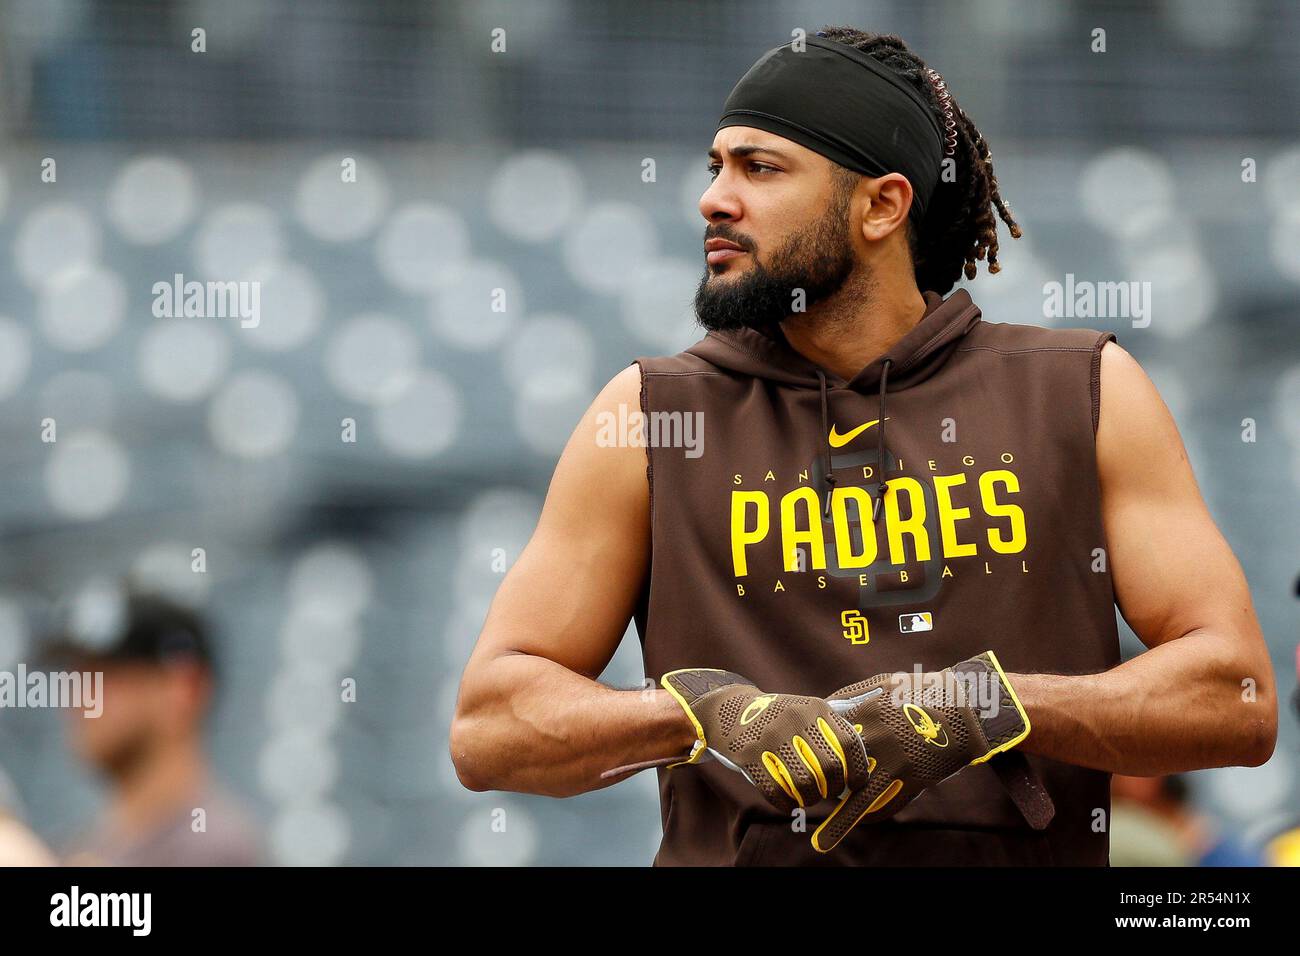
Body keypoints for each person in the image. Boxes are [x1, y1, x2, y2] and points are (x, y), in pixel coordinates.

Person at [449, 27, 1277, 865]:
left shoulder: (1085, 392)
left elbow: (1236, 701)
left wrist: (987, 707)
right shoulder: (651, 415)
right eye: (716, 167)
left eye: (760, 169)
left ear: (882, 205)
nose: (714, 200)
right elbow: (489, 725)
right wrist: (698, 715)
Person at [46, 589, 263, 866]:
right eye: (75, 678)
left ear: (185, 688)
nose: (78, 699)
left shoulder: (216, 848)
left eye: (104, 676)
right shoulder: (82, 845)